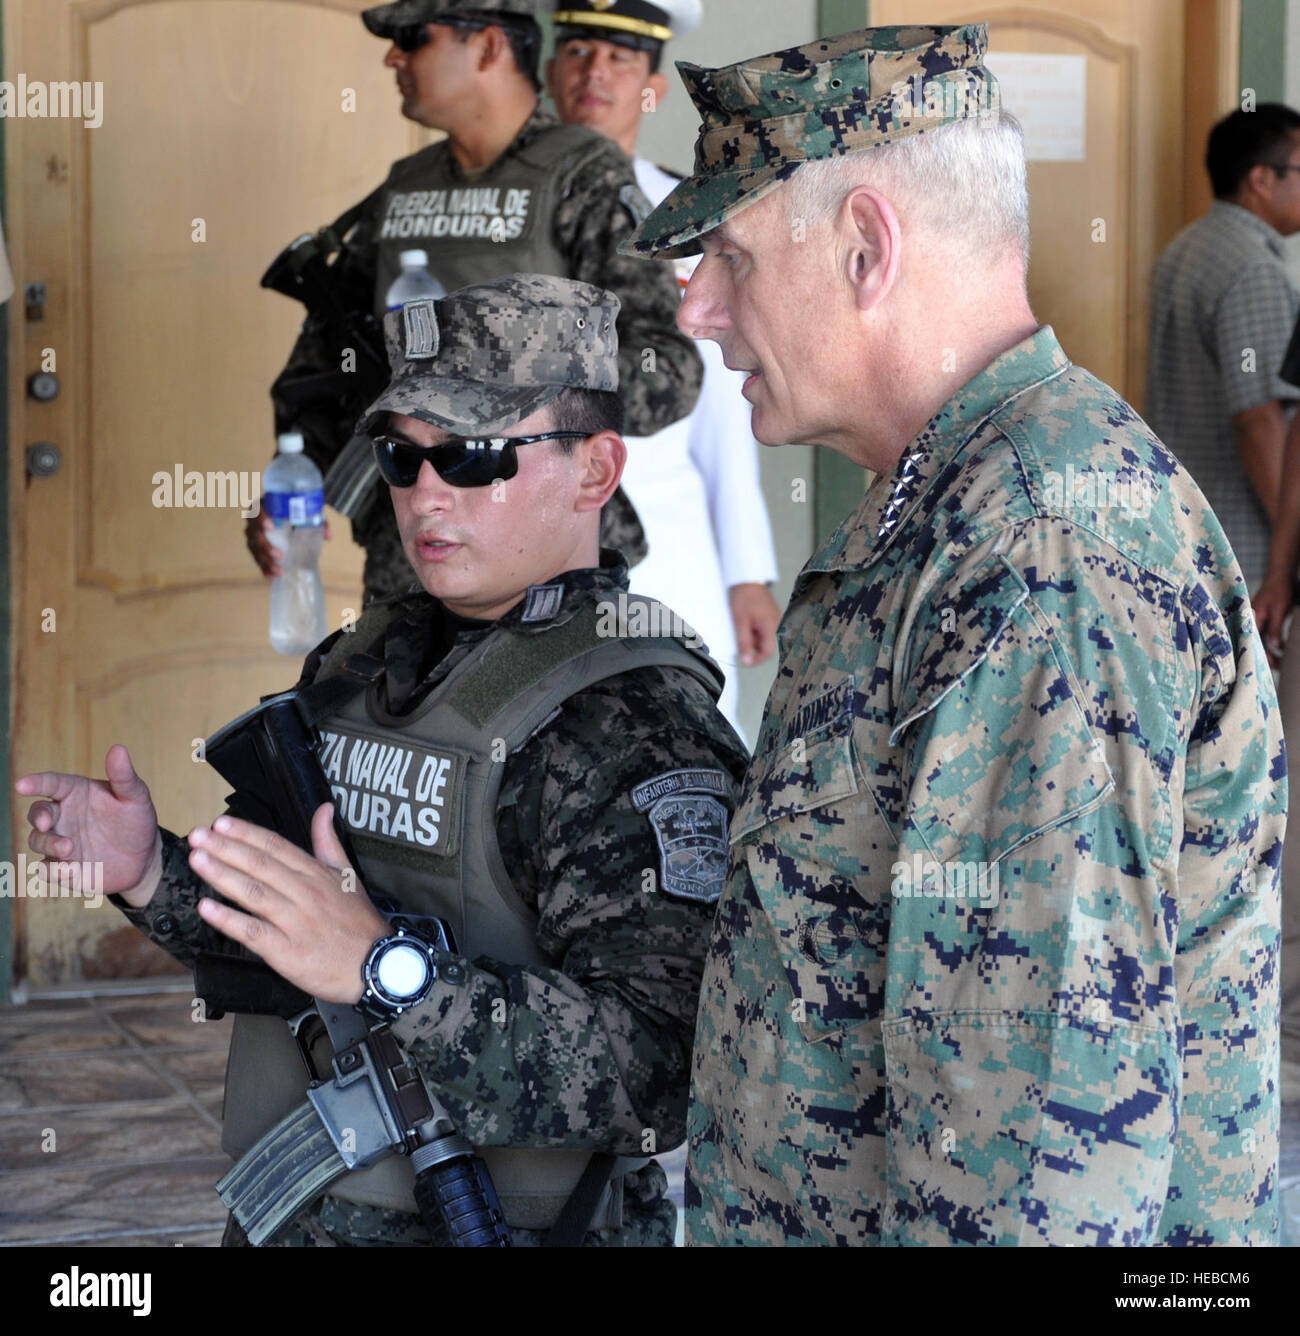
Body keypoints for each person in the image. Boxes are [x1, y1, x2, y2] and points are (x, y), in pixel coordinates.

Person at [622, 23, 1286, 1245]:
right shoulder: (951, 495)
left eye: (729, 256)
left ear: (866, 247)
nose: (701, 311)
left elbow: (1034, 1149)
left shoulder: (1035, 550)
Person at [19, 274, 748, 1247]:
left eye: (475, 454)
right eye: (402, 456)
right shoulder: (364, 665)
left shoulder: (635, 720)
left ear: (595, 469)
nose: (427, 493)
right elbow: (287, 950)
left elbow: (660, 1067)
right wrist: (149, 867)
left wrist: (385, 969)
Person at [245, 0, 704, 605]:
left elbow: (667, 370)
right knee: (396, 700)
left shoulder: (582, 176)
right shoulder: (403, 189)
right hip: (410, 546)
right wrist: (291, 480)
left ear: (488, 47)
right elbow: (328, 362)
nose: (394, 57)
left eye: (414, 39)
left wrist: (499, 380)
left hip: (536, 557)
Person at [546, 0, 781, 731]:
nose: (596, 73)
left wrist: (745, 568)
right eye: (580, 49)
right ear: (552, 67)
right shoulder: (515, 206)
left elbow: (720, 405)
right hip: (527, 523)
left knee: (688, 735)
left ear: (653, 81)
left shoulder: (682, 216)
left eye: (620, 58)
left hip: (666, 530)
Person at [1146, 103, 1300, 590]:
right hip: (1243, 541)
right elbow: (1258, 417)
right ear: (1262, 179)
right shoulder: (1252, 269)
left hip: (1180, 522)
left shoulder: (1189, 245)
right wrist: (1290, 550)